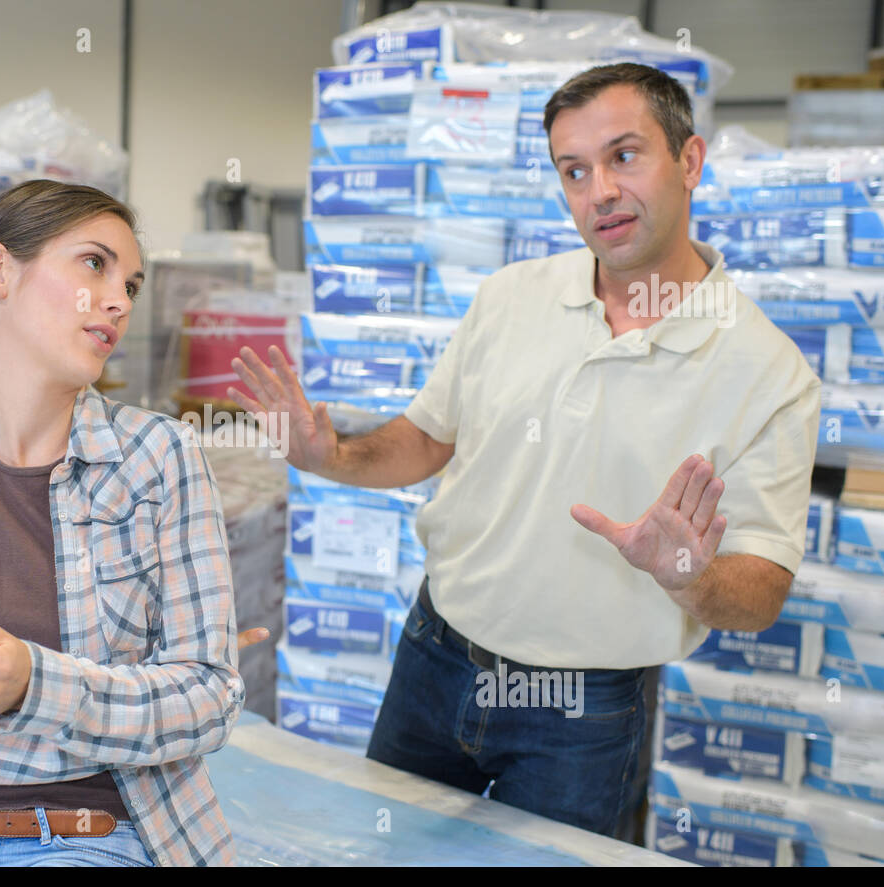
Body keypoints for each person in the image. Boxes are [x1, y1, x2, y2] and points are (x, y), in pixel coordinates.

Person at [230, 63, 821, 839]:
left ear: (690, 161)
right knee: (380, 858)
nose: (600, 190)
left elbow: (764, 588)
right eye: (574, 171)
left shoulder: (769, 373)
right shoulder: (512, 296)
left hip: (584, 711)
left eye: (624, 156)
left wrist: (692, 577)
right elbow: (428, 439)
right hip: (433, 658)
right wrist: (330, 455)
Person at [0, 179, 262, 867]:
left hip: (97, 837)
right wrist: (117, 714)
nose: (119, 302)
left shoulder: (161, 459)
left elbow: (209, 699)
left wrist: (31, 686)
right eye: (95, 264)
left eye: (131, 285)